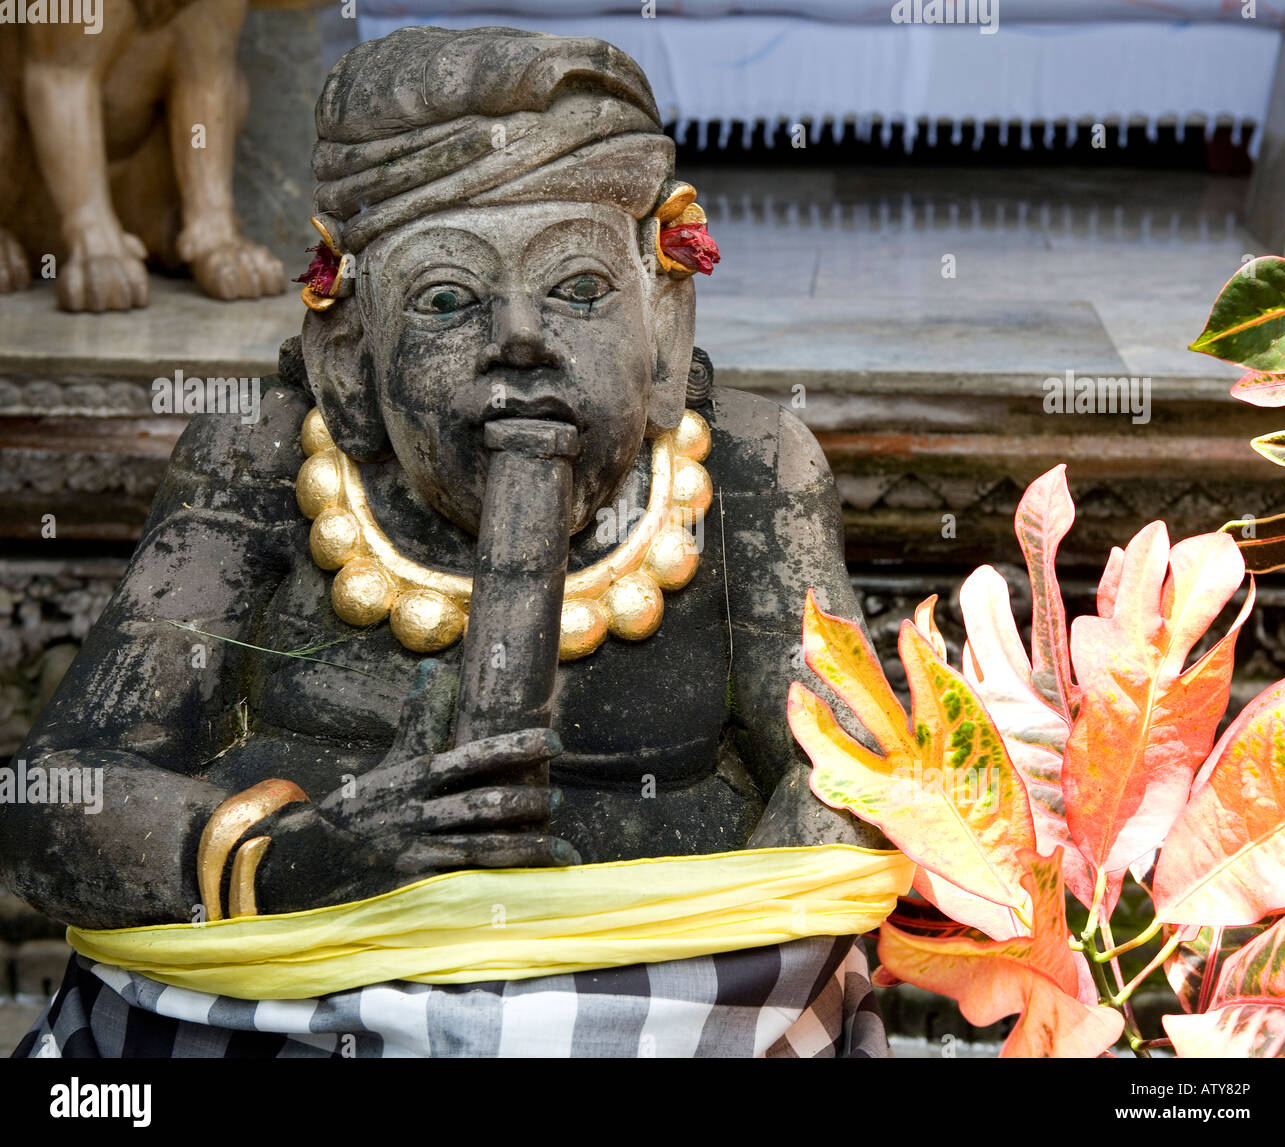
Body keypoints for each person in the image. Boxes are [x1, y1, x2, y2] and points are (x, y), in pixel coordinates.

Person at [3, 26, 909, 1059]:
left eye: (577, 291)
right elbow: (52, 803)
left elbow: (852, 774)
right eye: (447, 300)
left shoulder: (749, 467)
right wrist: (296, 861)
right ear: (347, 354)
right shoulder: (257, 463)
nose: (520, 336)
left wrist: (682, 969)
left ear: (663, 325)